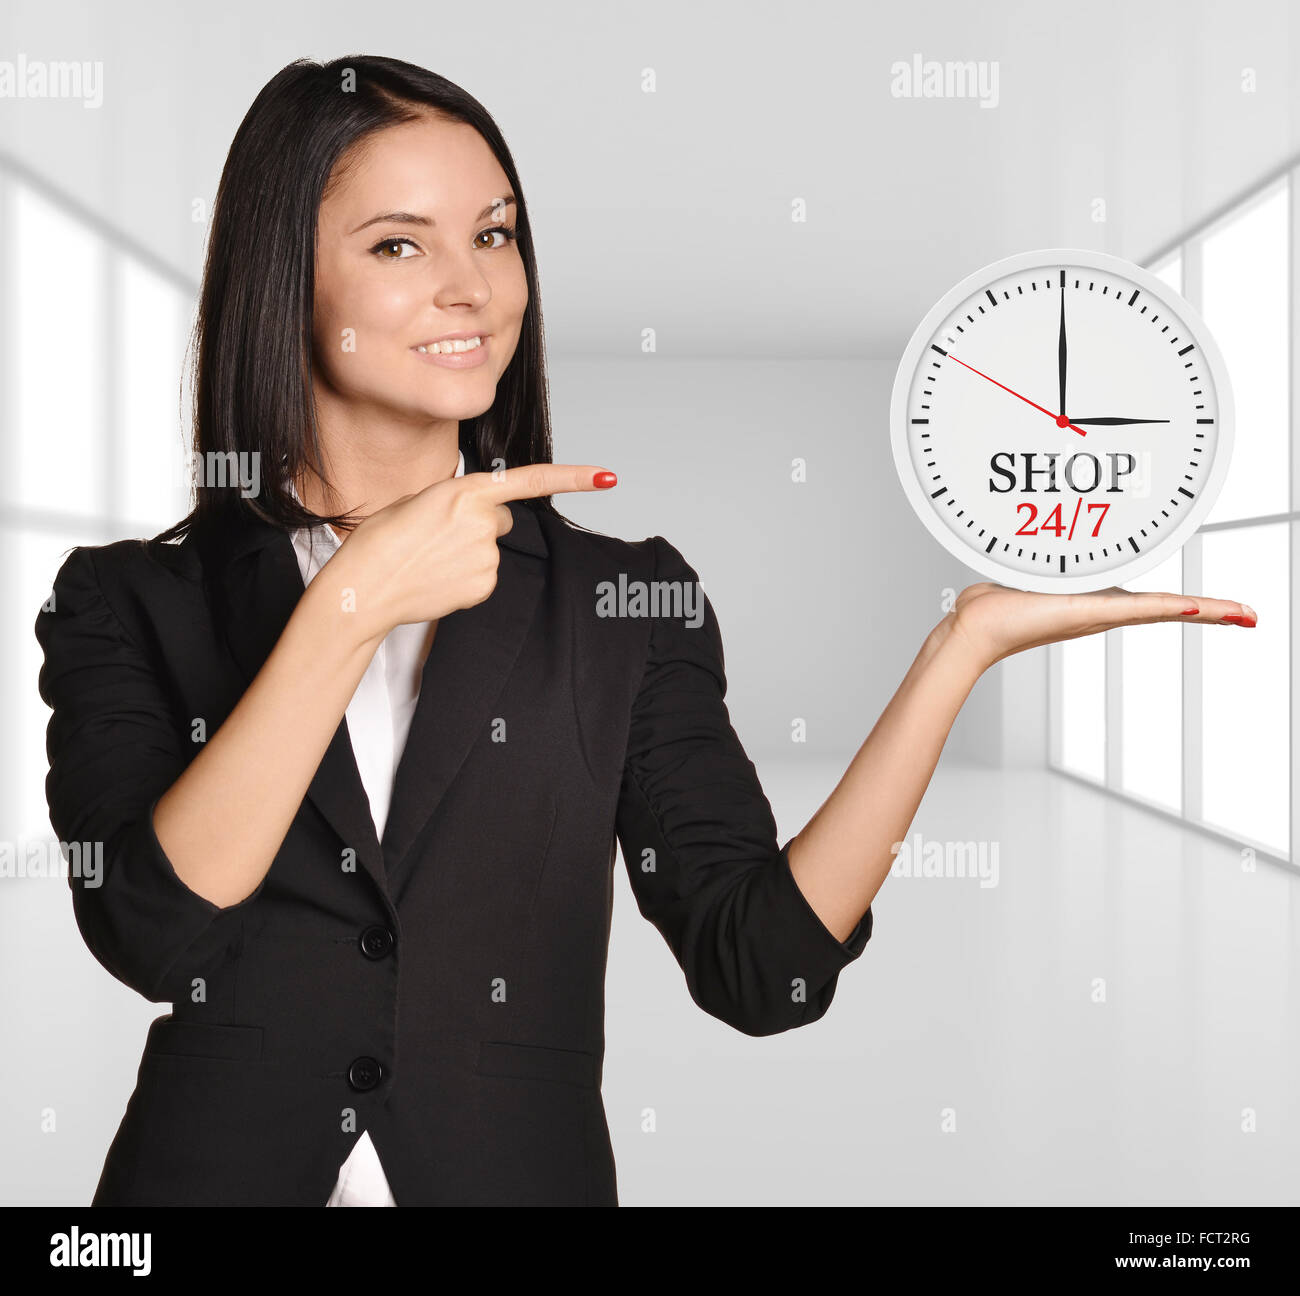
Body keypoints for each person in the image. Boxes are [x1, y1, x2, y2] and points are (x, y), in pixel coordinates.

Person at [34, 54, 1256, 1208]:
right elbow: (154, 930)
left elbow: (759, 969)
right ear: (280, 278)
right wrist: (348, 608)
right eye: (399, 243)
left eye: (495, 234)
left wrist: (958, 654)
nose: (473, 286)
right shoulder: (127, 600)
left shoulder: (626, 601)